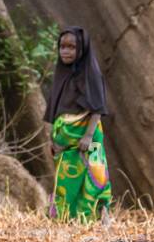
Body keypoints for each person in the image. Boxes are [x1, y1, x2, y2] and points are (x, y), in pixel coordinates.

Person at [45, 26, 112, 223]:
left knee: (95, 177)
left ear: (81, 49)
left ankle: (99, 217)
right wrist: (51, 138)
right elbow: (54, 108)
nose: (65, 51)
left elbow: (97, 108)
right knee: (67, 180)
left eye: (71, 47)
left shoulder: (91, 74)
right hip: (64, 142)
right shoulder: (61, 73)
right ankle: (68, 219)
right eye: (62, 47)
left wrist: (88, 136)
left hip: (87, 138)